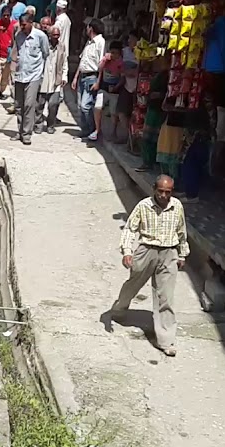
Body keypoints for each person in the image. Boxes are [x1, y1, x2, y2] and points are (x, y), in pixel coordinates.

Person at [110, 175, 187, 357]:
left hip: (169, 252)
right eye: (160, 191)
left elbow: (182, 231)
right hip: (146, 251)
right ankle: (119, 307)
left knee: (165, 297)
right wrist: (127, 251)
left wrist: (182, 253)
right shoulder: (143, 206)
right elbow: (130, 228)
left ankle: (166, 340)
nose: (163, 195)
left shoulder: (177, 207)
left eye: (167, 192)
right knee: (133, 284)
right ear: (154, 189)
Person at [9, 12, 50, 144]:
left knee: (29, 104)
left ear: (31, 23)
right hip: (20, 74)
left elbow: (45, 53)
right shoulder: (18, 35)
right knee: (19, 105)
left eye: (24, 24)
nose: (22, 27)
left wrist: (41, 73)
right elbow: (17, 52)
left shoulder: (40, 36)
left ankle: (27, 133)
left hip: (34, 75)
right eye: (21, 24)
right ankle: (20, 131)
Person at [73, 18, 106, 141]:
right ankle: (85, 130)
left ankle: (94, 130)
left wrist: (98, 81)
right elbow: (82, 61)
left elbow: (102, 64)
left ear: (91, 28)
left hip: (92, 76)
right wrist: (76, 77)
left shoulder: (100, 42)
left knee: (85, 106)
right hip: (82, 76)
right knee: (80, 106)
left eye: (87, 27)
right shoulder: (88, 43)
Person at [36, 24, 69, 134]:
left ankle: (50, 125)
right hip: (43, 79)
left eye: (58, 35)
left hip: (56, 80)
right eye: (54, 35)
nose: (56, 37)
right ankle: (38, 125)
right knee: (39, 105)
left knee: (53, 105)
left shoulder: (62, 46)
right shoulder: (43, 45)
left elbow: (64, 62)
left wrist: (64, 76)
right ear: (49, 35)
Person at [0, 11, 15, 101]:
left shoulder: (14, 24)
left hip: (9, 55)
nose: (5, 17)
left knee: (6, 76)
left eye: (7, 15)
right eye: (4, 15)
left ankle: (1, 91)